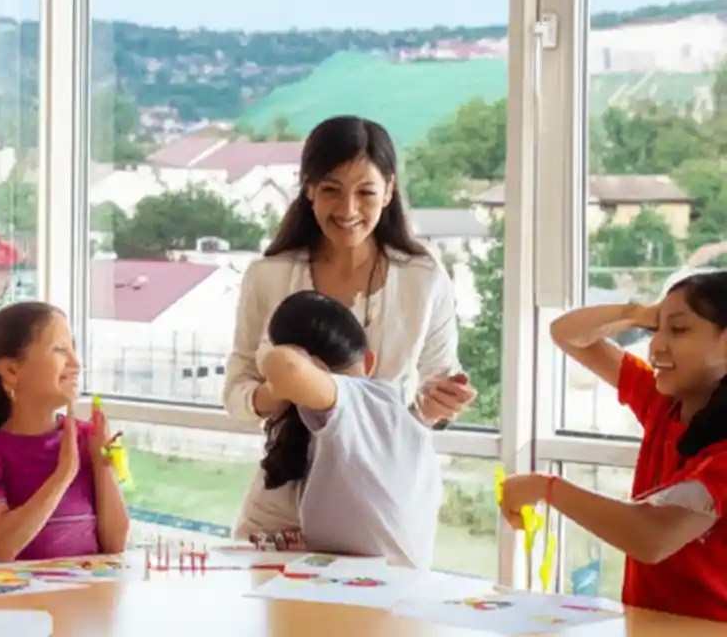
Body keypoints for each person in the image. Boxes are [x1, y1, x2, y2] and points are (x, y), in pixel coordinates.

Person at [225, 115, 475, 541]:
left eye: (366, 193)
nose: (348, 211)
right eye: (331, 191)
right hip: (281, 508)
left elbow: (426, 402)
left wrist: (438, 406)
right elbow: (236, 396)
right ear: (308, 189)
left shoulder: (423, 278)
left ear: (390, 190)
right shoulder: (268, 276)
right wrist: (287, 388)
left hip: (381, 504)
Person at [502, 271, 727, 622]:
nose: (656, 345)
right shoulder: (662, 403)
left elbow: (652, 536)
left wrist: (546, 488)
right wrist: (639, 313)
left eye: (679, 330)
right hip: (646, 625)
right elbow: (567, 334)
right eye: (656, 331)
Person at [258, 291, 442, 568]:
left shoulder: (349, 396)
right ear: (370, 360)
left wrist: (296, 373)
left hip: (363, 587)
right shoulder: (391, 404)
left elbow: (283, 366)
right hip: (397, 582)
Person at [0, 302, 130, 562]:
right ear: (12, 371)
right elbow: (2, 548)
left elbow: (115, 544)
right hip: (24, 599)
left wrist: (101, 464)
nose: (76, 363)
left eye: (73, 349)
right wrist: (63, 473)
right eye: (60, 349)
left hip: (89, 595)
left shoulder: (87, 438)